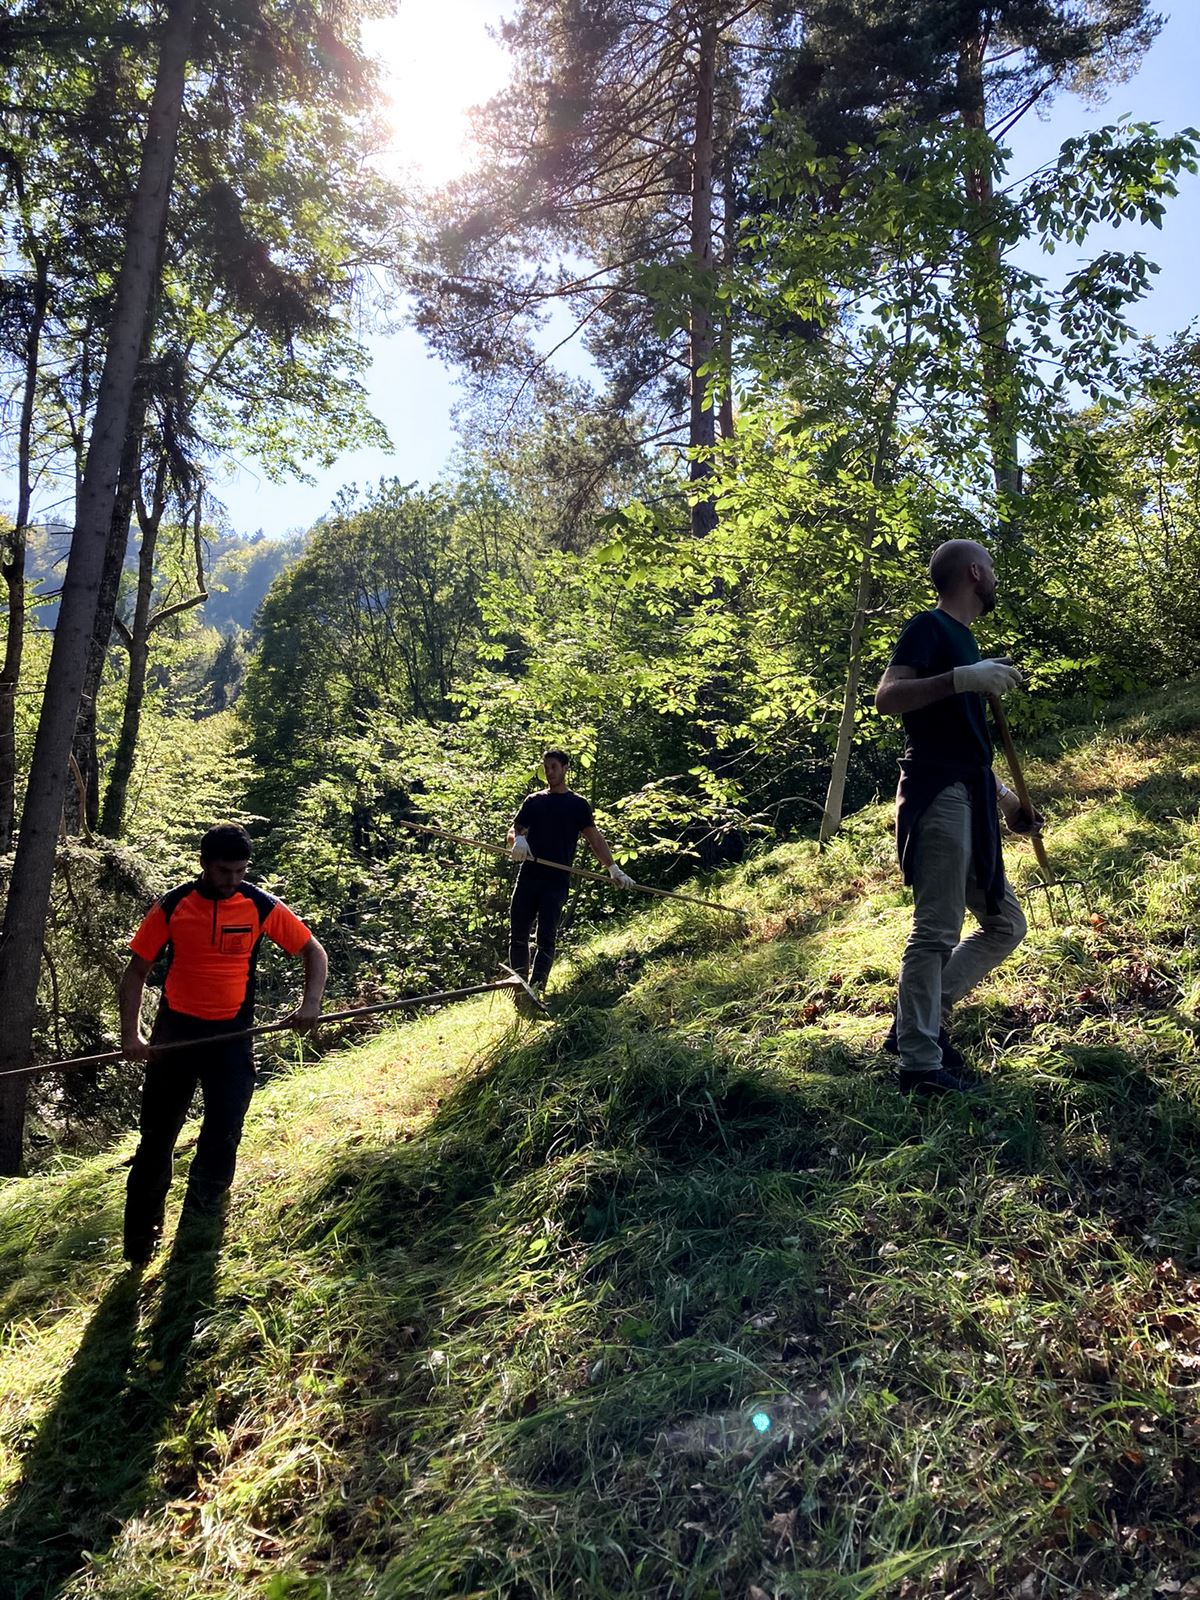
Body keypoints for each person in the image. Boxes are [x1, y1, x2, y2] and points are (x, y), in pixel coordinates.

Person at [119, 823, 328, 1264]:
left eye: (239, 871)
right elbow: (136, 972)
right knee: (156, 1140)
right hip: (174, 1037)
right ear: (203, 865)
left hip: (232, 1038)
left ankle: (197, 1236)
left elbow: (314, 951)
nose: (232, 880)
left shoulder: (259, 905)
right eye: (223, 871)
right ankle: (140, 1244)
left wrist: (310, 1005)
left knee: (223, 1135)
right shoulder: (173, 906)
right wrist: (131, 1035)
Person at [874, 540, 1039, 1095]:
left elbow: (966, 748)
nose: (994, 576)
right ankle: (919, 1066)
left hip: (968, 791)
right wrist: (960, 679)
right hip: (935, 793)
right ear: (974, 573)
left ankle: (913, 1023)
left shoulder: (968, 643)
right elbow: (888, 697)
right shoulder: (930, 627)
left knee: (1006, 924)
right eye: (991, 568)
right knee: (937, 931)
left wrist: (1009, 801)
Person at [506, 749, 634, 1005]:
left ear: (565, 768)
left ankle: (537, 990)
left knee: (546, 938)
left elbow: (594, 838)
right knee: (518, 935)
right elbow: (514, 830)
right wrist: (517, 840)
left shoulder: (577, 805)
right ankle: (520, 991)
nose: (549, 772)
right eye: (546, 767)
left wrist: (613, 868)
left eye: (554, 767)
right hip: (529, 876)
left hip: (556, 880)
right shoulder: (534, 801)